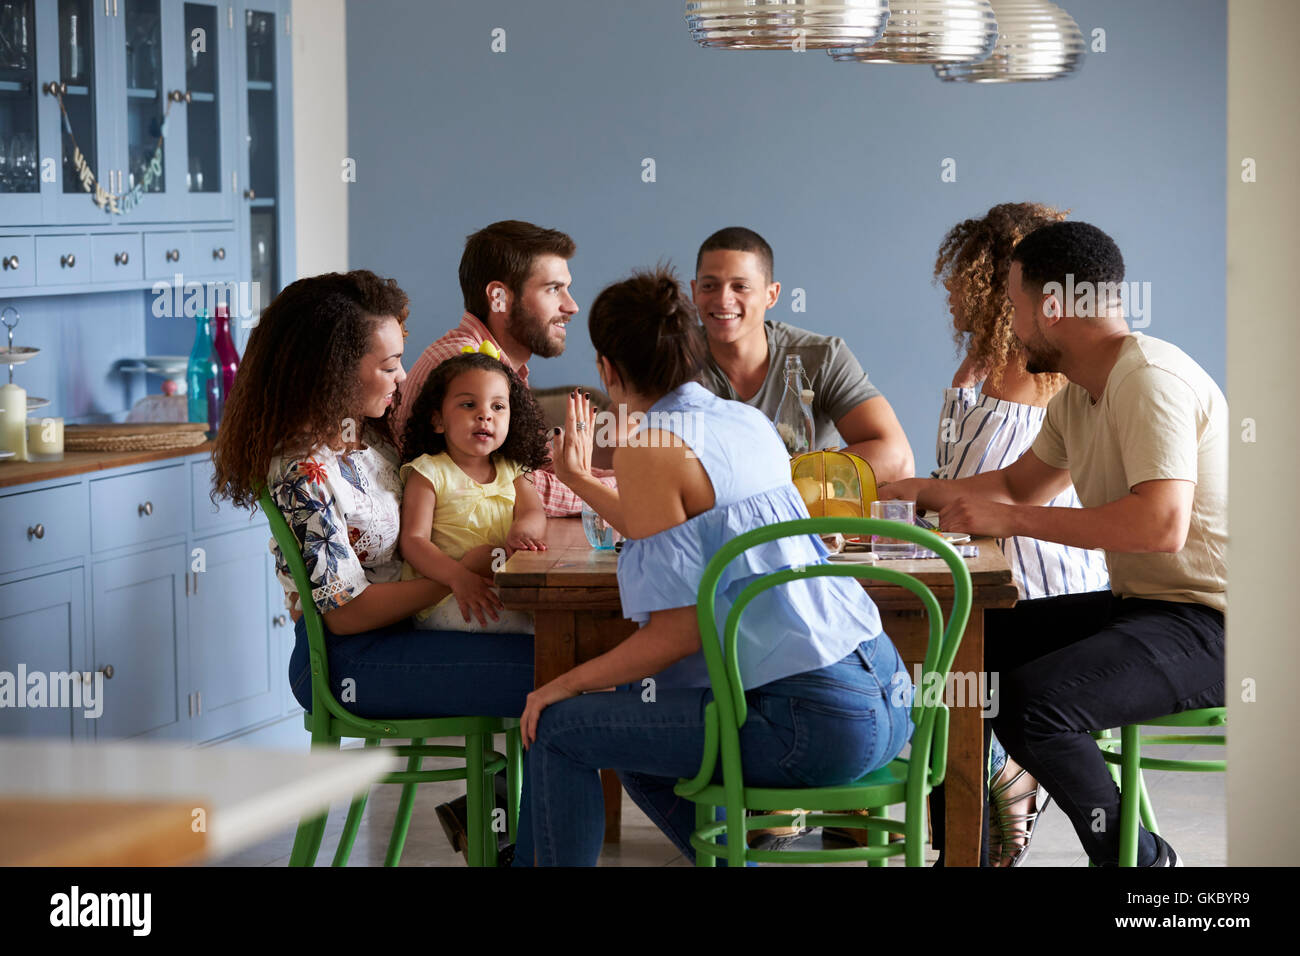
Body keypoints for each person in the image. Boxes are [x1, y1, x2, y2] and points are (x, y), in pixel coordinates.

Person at [514, 266, 915, 866]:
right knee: (632, 714)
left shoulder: (648, 446)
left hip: (814, 725)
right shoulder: (743, 420)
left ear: (606, 369)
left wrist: (562, 684)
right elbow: (675, 525)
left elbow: (680, 633)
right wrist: (578, 481)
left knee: (561, 727)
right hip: (889, 698)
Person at [881, 221, 1226, 867]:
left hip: (1216, 623)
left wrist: (1008, 520)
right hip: (1145, 605)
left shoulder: (1148, 380)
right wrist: (902, 488)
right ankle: (965, 851)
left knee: (1035, 703)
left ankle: (1141, 862)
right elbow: (1017, 484)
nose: (1009, 324)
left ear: (1051, 307)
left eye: (1012, 306)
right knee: (966, 651)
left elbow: (1159, 525)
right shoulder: (1080, 395)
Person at [210, 269, 534, 723]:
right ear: (333, 371)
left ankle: (513, 794)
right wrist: (459, 574)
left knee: (563, 653)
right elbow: (346, 614)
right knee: (554, 674)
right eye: (388, 366)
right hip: (350, 658)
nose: (402, 377)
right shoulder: (301, 471)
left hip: (407, 632)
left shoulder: (368, 438)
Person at [927, 202, 1111, 867]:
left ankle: (985, 786)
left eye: (962, 278)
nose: (950, 295)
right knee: (927, 648)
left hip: (1036, 588)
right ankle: (968, 806)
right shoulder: (989, 374)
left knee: (933, 655)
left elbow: (974, 483)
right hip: (999, 577)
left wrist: (917, 494)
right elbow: (959, 477)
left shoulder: (1030, 380)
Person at [393, 219, 617, 516]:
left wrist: (615, 482)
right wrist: (618, 490)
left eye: (567, 289)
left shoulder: (498, 366)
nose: (572, 306)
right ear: (498, 297)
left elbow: (537, 466)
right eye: (553, 289)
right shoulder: (462, 366)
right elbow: (506, 485)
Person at [691, 227, 915, 482]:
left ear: (771, 295)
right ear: (694, 291)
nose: (723, 299)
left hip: (809, 520)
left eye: (740, 286)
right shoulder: (667, 360)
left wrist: (776, 478)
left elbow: (897, 460)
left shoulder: (823, 357)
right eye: (710, 286)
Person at [397, 348, 552, 634]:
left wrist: (523, 530)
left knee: (558, 620)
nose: (485, 416)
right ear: (438, 421)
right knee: (535, 634)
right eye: (469, 405)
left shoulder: (513, 469)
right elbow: (413, 541)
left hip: (502, 589)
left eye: (498, 407)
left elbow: (533, 511)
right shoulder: (428, 471)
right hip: (447, 597)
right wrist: (458, 577)